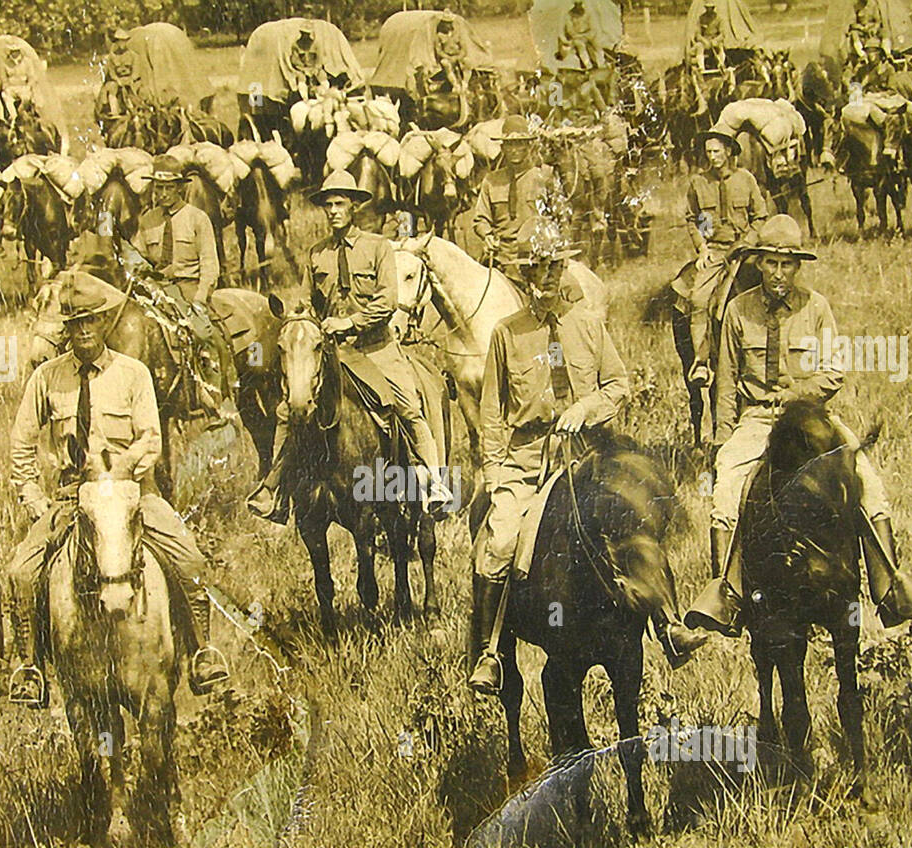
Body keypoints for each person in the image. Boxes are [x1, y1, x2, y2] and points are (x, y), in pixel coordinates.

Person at [469, 218, 706, 693]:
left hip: (587, 453)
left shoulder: (588, 325)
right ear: (523, 278)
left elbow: (619, 385)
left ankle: (669, 624)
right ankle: (490, 651)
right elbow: (492, 412)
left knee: (635, 515)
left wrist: (585, 407)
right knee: (498, 542)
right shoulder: (506, 334)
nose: (544, 282)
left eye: (552, 270)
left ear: (563, 271)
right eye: (534, 273)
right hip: (527, 459)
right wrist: (495, 472)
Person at [684, 215, 912, 635]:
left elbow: (834, 371)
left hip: (811, 419)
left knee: (867, 481)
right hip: (757, 418)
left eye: (787, 265)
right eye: (770, 264)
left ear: (798, 267)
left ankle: (891, 586)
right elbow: (727, 380)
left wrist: (800, 394)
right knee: (727, 490)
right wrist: (722, 439)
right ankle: (726, 594)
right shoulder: (736, 310)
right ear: (758, 264)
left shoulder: (816, 307)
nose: (778, 274)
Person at [6, 269, 229, 706]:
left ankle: (202, 652)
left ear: (105, 323)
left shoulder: (133, 373)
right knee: (21, 572)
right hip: (72, 497)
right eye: (74, 323)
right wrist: (33, 499)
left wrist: (128, 471)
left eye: (91, 321)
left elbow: (152, 437)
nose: (83, 331)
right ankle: (31, 667)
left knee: (190, 559)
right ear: (65, 329)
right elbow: (21, 443)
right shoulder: (47, 379)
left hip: (132, 494)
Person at [246, 169, 453, 522]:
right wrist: (302, 317)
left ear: (354, 207)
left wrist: (350, 322)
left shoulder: (378, 248)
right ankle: (274, 490)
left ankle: (435, 482)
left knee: (409, 405)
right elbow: (310, 300)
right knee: (290, 408)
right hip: (332, 351)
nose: (333, 211)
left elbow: (387, 301)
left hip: (375, 348)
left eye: (340, 204)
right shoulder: (317, 254)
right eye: (328, 205)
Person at [128, 154, 232, 425]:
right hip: (155, 290)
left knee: (202, 333)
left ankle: (212, 398)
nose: (162, 194)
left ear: (180, 188)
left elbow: (210, 264)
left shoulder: (197, 219)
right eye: (157, 188)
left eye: (168, 188)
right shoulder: (147, 220)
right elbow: (137, 257)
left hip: (189, 287)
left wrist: (200, 298)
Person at [671, 127, 768, 389]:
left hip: (745, 251)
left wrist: (747, 242)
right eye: (708, 152)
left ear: (728, 151)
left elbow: (760, 216)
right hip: (715, 251)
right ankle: (701, 362)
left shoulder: (746, 179)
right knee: (698, 299)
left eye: (716, 151)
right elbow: (693, 218)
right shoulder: (699, 183)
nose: (712, 156)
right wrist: (702, 248)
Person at [473, 115, 557, 276]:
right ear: (503, 148)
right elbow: (480, 219)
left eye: (519, 144)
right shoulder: (491, 180)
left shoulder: (544, 177)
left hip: (536, 257)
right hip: (500, 257)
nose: (514, 150)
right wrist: (487, 235)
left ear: (528, 146)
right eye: (509, 144)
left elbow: (559, 219)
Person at [559, 0, 605, 71]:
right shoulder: (569, 15)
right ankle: (588, 66)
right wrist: (579, 36)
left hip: (588, 36)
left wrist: (586, 36)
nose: (578, 6)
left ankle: (600, 64)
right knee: (580, 46)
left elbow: (593, 29)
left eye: (579, 4)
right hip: (576, 38)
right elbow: (570, 30)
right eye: (576, 4)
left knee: (598, 47)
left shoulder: (588, 14)